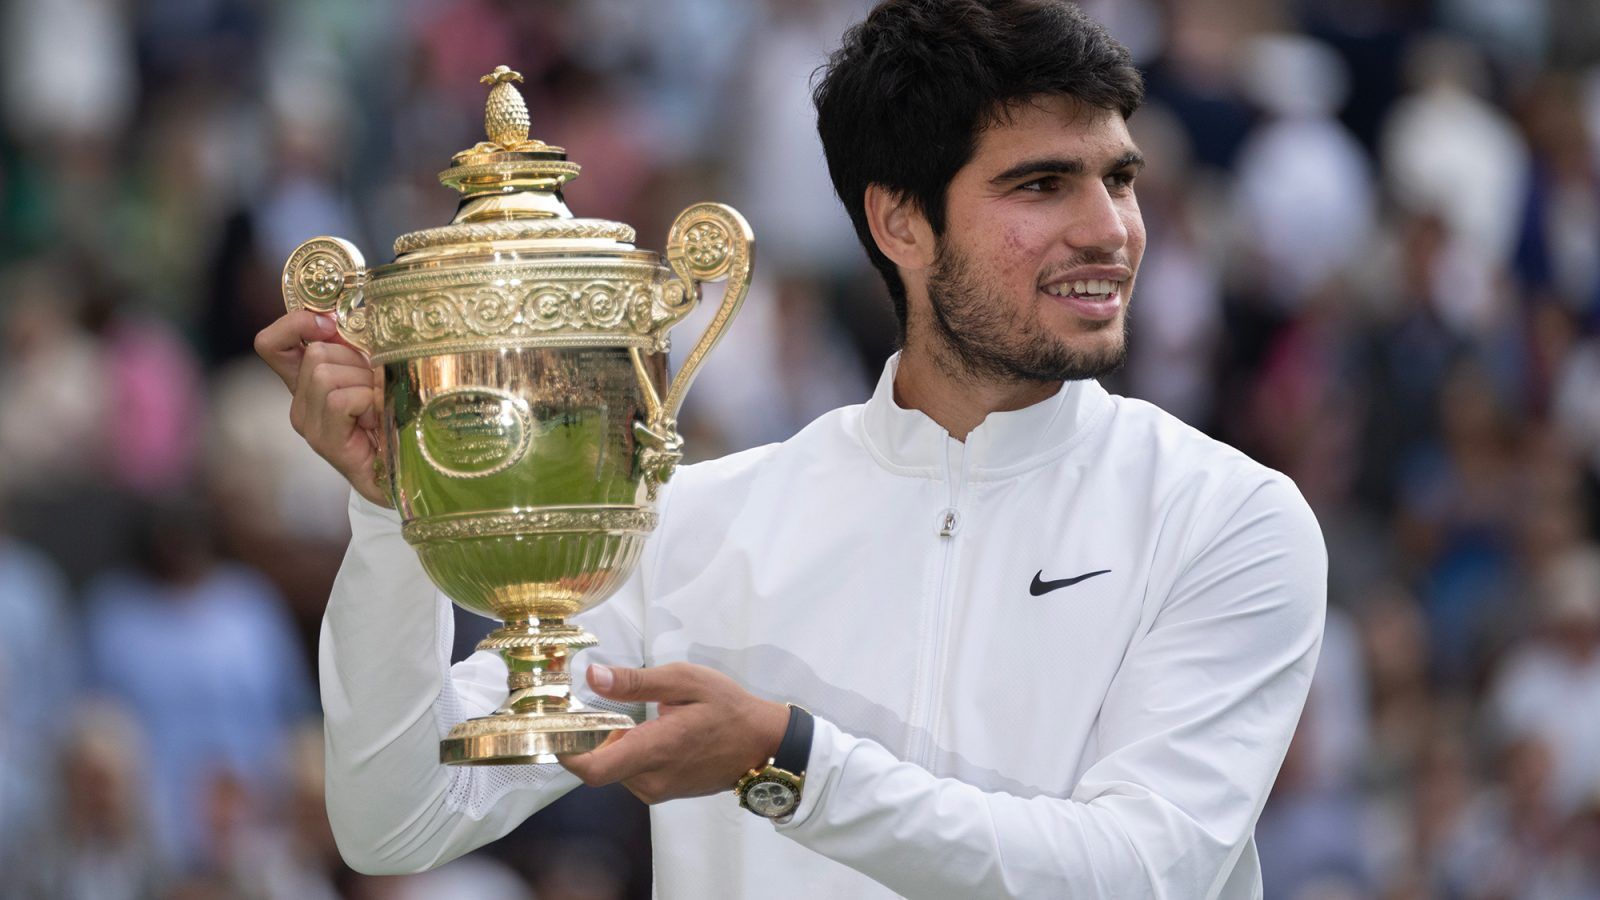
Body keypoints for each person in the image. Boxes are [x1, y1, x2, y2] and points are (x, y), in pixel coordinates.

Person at [255, 1, 1326, 896]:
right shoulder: (687, 527)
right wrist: (395, 513)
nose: (1110, 228)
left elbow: (1143, 875)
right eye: (1042, 185)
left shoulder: (1228, 517)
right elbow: (394, 823)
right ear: (900, 223)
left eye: (1119, 178)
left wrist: (786, 760)